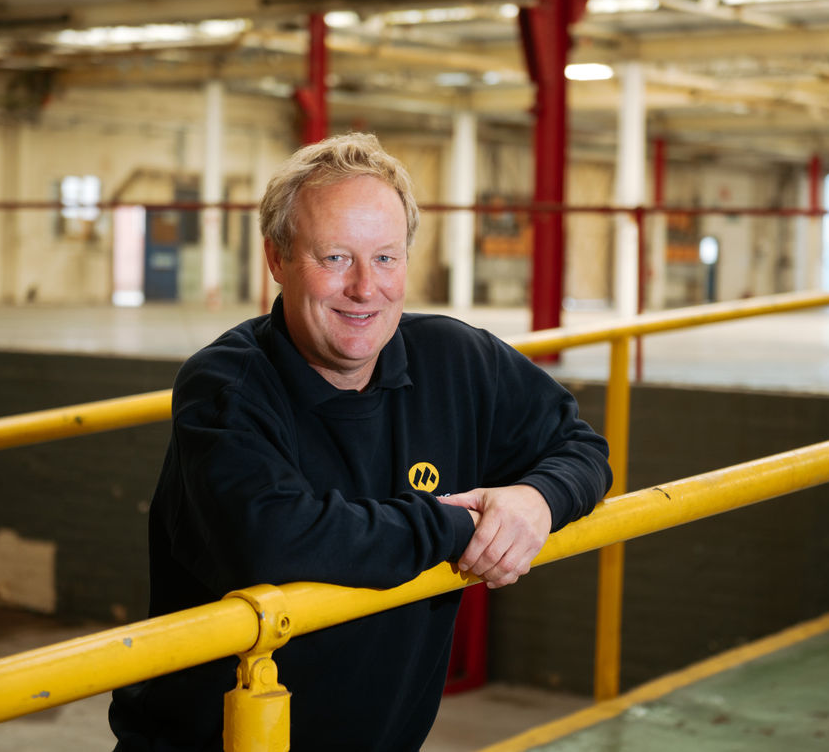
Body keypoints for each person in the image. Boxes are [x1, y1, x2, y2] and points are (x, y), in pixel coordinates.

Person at [109, 132, 611, 752]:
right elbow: (276, 539)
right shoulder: (226, 385)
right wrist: (466, 527)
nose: (365, 289)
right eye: (335, 258)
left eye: (386, 258)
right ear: (276, 258)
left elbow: (582, 448)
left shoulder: (459, 361)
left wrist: (537, 501)